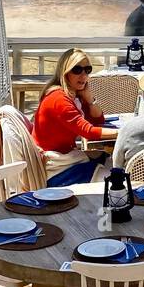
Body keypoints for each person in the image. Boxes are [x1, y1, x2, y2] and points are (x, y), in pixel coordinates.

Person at [31, 48, 118, 185]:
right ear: (65, 73)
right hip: (57, 170)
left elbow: (98, 120)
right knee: (116, 180)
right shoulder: (59, 99)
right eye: (77, 70)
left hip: (66, 159)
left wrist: (90, 101)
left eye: (87, 70)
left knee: (111, 164)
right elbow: (88, 131)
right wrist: (122, 132)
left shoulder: (74, 95)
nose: (83, 75)